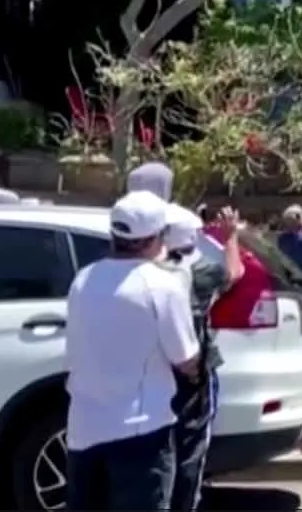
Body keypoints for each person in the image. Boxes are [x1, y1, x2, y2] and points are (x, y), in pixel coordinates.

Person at [65, 191, 201, 510]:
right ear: (154, 238)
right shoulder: (162, 285)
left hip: (83, 429)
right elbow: (186, 360)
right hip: (141, 432)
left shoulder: (83, 279)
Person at [161, 203, 246, 511]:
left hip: (155, 372)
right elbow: (235, 272)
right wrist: (230, 236)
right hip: (194, 374)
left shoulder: (147, 273)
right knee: (191, 449)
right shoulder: (203, 272)